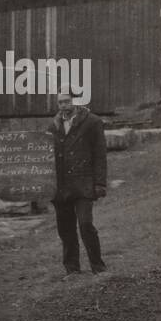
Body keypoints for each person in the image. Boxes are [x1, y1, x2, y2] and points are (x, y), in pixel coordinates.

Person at [50, 91, 107, 277]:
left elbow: (100, 155)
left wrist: (99, 184)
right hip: (61, 187)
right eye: (60, 102)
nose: (64, 105)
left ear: (75, 102)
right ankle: (72, 269)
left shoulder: (92, 122)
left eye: (67, 101)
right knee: (66, 230)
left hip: (83, 184)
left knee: (85, 224)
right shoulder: (53, 125)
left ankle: (98, 267)